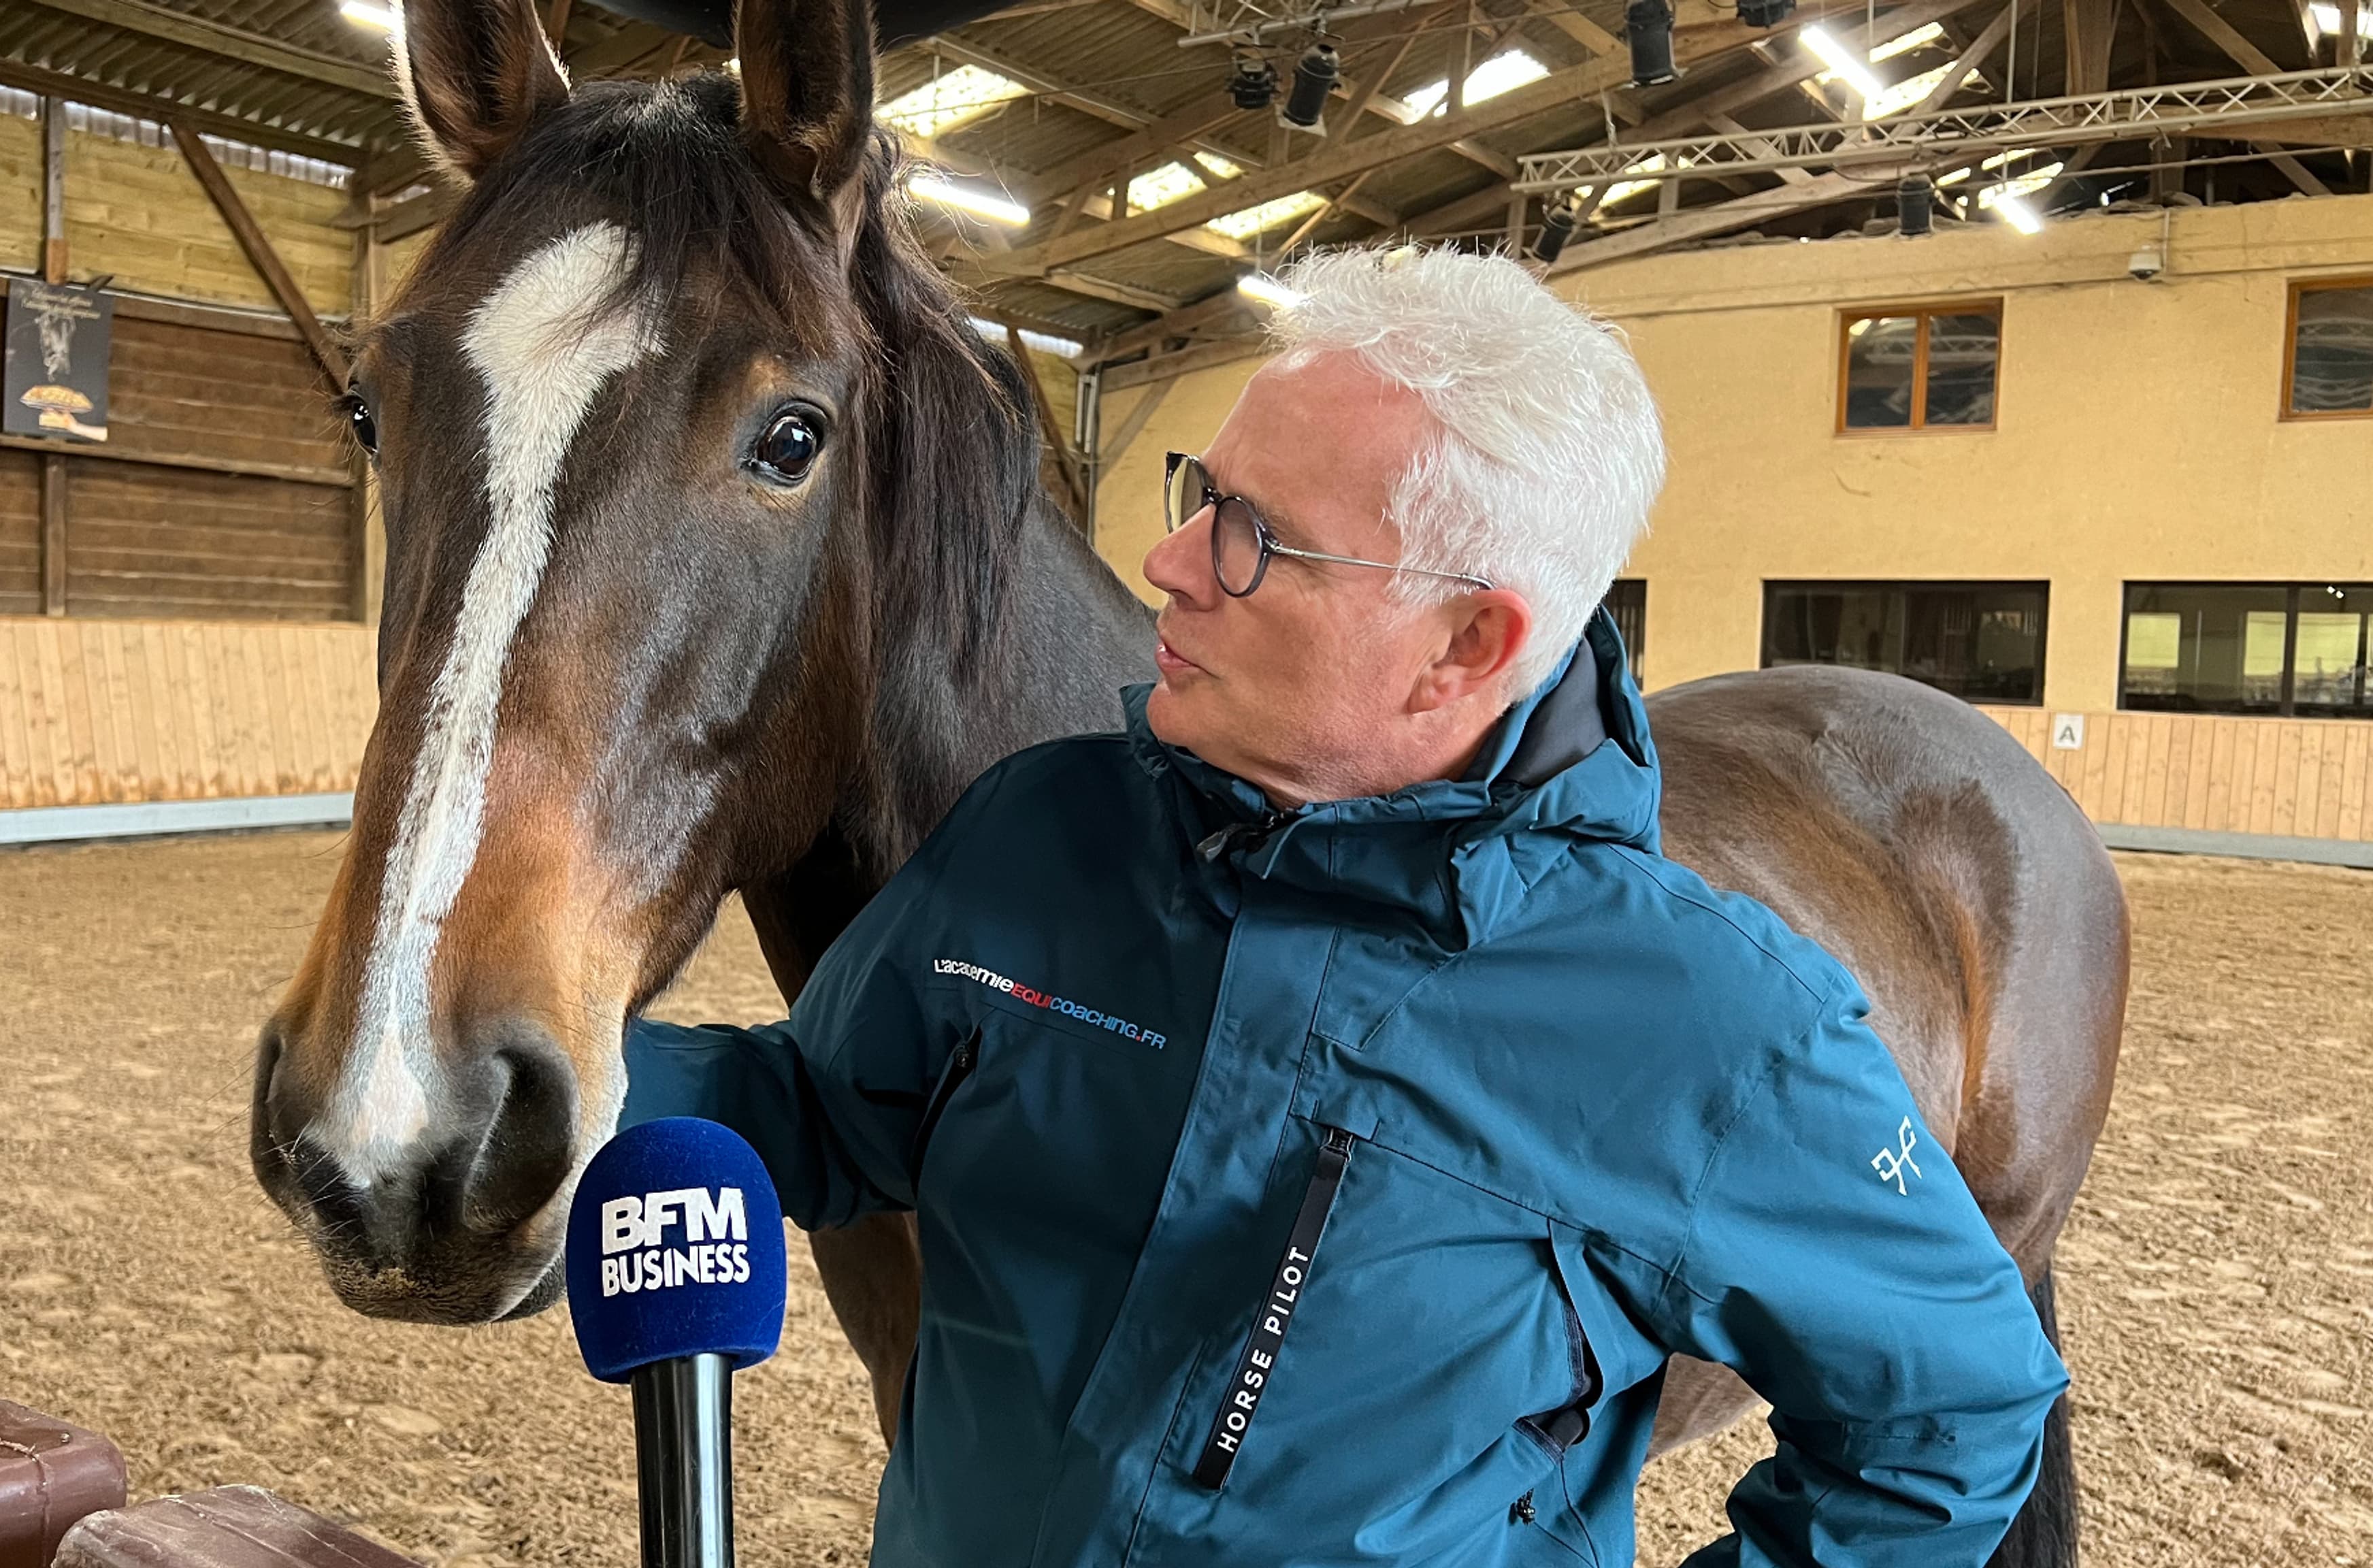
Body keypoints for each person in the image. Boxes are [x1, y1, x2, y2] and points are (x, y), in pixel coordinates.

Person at [620, 244, 2066, 1567]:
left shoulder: (1705, 1023)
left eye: (1250, 535)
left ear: (1460, 644)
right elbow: (816, 1108)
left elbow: (1951, 1405)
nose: (1170, 562)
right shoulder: (1038, 830)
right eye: (1200, 491)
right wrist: (545, 1087)